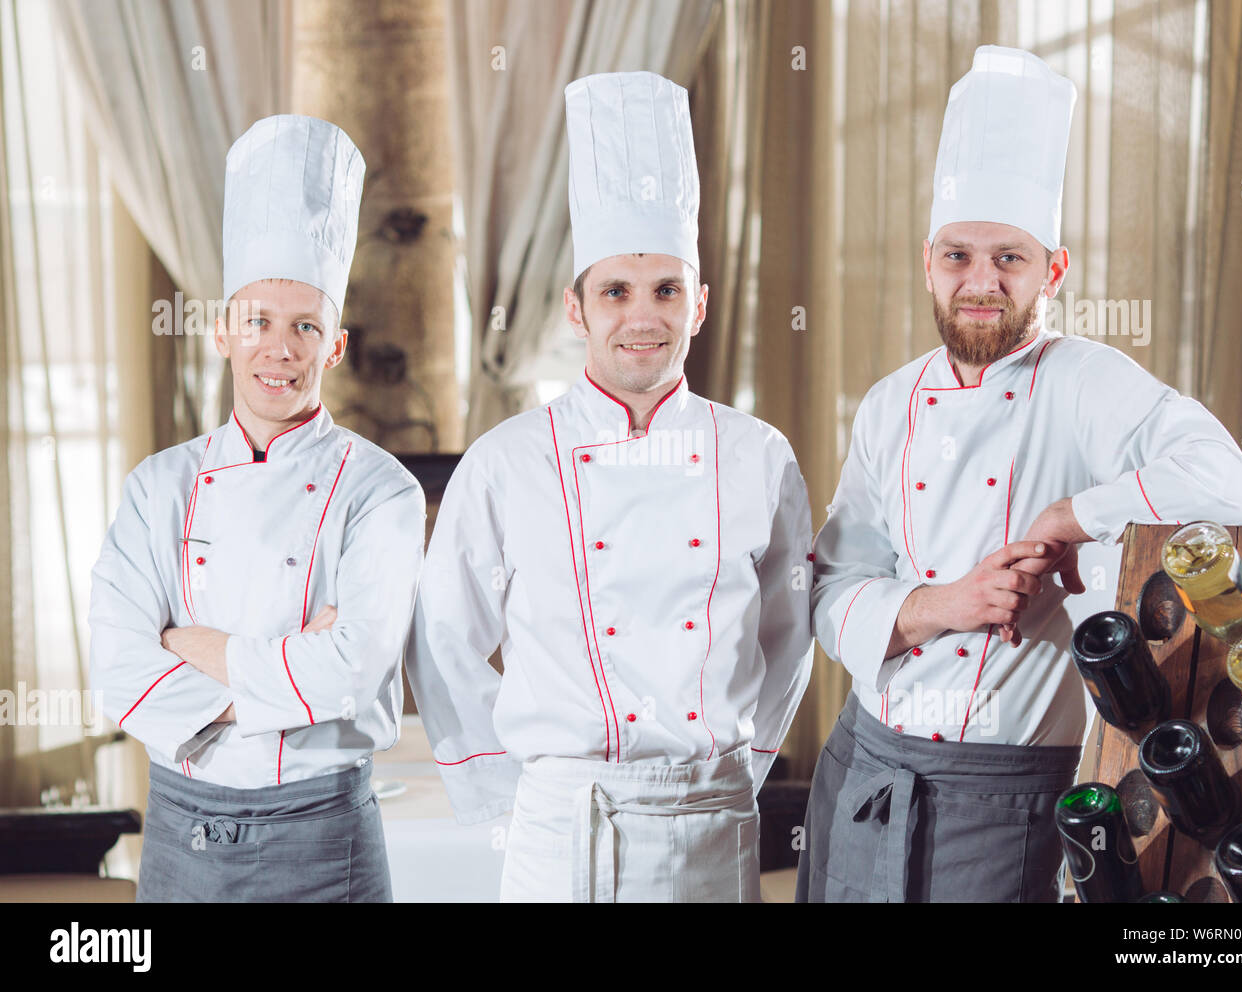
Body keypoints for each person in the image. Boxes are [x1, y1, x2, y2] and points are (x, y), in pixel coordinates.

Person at [795, 46, 1242, 903]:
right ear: (926, 261)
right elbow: (829, 592)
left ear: (1052, 270)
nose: (981, 284)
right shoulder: (889, 402)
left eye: (1009, 259)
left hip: (1010, 787)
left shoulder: (1087, 380)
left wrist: (1070, 517)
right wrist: (946, 603)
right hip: (865, 766)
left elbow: (1231, 485)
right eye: (958, 256)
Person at [406, 70, 813, 902]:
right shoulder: (507, 460)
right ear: (576, 308)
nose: (642, 316)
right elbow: (444, 638)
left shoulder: (758, 455)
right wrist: (507, 797)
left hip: (713, 817)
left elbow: (788, 635)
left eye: (665, 290)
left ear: (698, 304)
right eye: (616, 292)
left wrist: (739, 768)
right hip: (562, 824)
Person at [89, 114, 426, 902]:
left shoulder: (381, 491)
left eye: (305, 326)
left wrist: (187, 640)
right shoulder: (157, 487)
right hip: (181, 833)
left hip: (324, 837)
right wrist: (285, 675)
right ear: (222, 333)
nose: (280, 349)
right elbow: (118, 669)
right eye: (259, 323)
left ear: (334, 345)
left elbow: (352, 671)